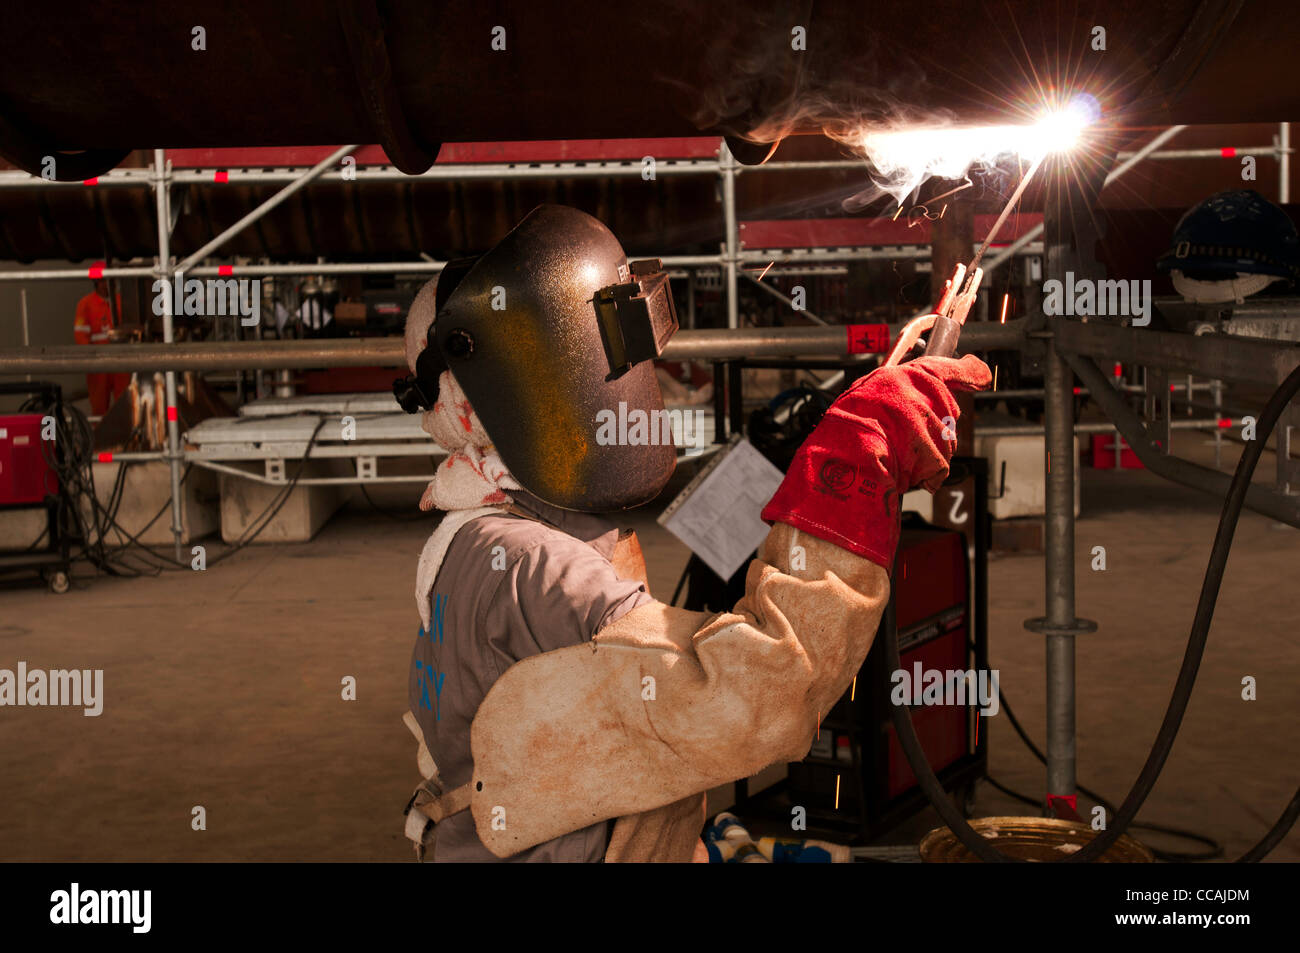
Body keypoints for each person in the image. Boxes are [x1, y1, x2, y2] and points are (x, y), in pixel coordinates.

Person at [393, 205, 990, 862]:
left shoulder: (475, 534)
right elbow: (757, 694)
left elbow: (611, 731)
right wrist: (849, 474)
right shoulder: (534, 565)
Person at [73, 278, 129, 415]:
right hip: (98, 363)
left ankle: (125, 434)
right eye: (104, 282)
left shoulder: (122, 302)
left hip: (120, 361)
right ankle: (99, 434)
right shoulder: (86, 304)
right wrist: (92, 359)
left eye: (111, 281)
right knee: (99, 405)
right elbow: (80, 335)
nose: (108, 285)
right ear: (97, 284)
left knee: (124, 402)